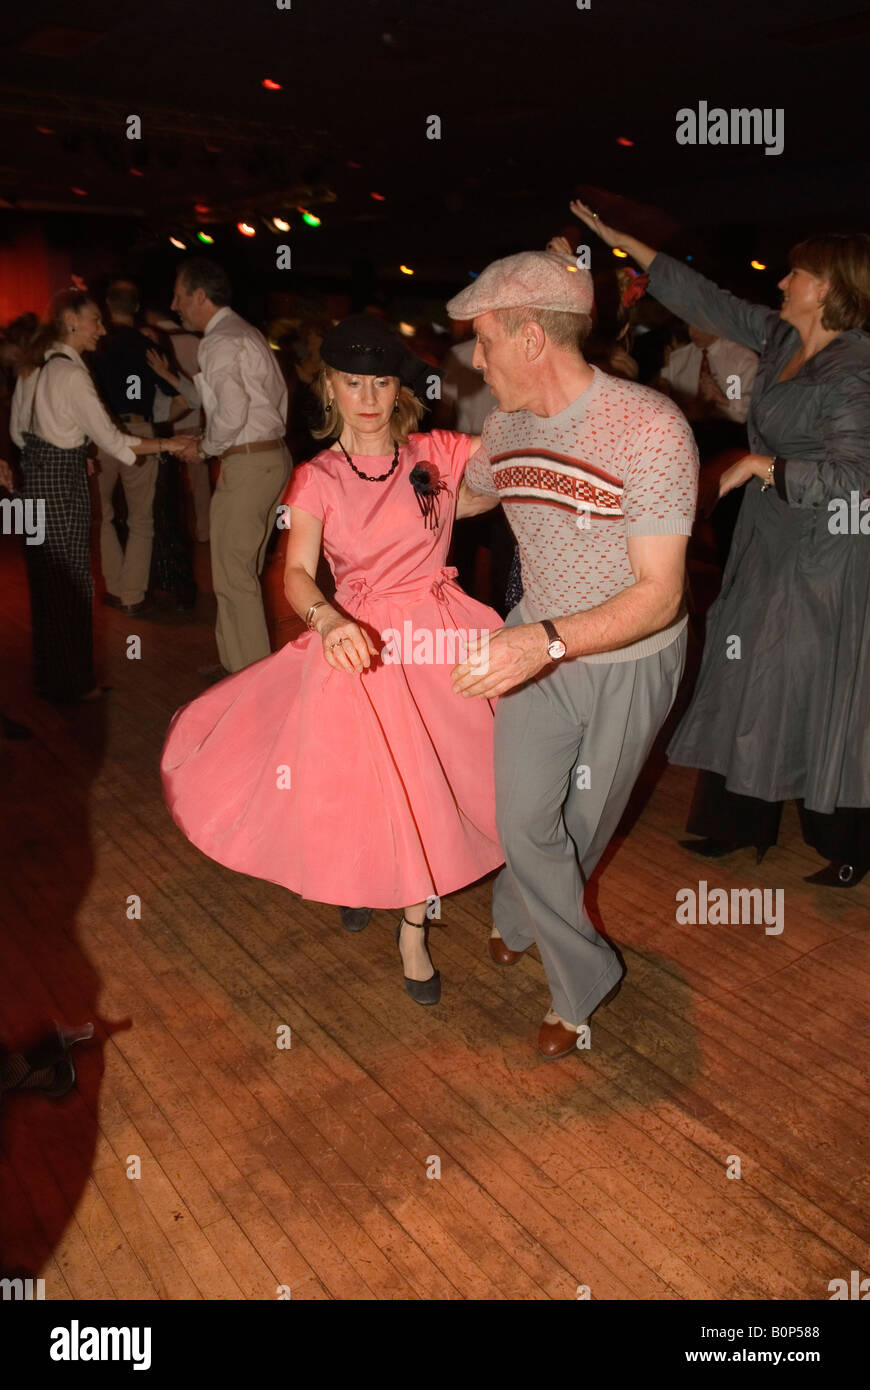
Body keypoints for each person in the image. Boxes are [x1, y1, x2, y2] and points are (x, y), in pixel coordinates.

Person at [161, 315, 505, 1005]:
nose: (369, 396)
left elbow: (513, 459)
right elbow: (295, 575)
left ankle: (412, 928)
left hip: (439, 640)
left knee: (438, 788)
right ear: (329, 387)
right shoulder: (316, 476)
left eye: (381, 381)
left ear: (399, 389)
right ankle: (365, 880)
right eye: (354, 382)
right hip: (359, 642)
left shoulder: (436, 450)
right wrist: (327, 619)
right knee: (364, 785)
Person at [572, 197, 870, 887]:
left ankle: (847, 837)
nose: (781, 282)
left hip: (829, 552)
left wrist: (758, 464)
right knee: (749, 670)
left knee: (815, 682)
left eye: (795, 274)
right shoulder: (783, 339)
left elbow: (857, 478)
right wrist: (626, 243)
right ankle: (738, 822)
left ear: (827, 287)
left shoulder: (856, 369)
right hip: (772, 539)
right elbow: (705, 299)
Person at [447, 249, 698, 1060]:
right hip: (536, 646)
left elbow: (657, 592)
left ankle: (553, 963)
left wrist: (544, 642)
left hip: (626, 660)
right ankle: (583, 966)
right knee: (520, 816)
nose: (472, 358)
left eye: (482, 340)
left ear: (529, 338)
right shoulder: (505, 423)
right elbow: (470, 492)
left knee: (580, 828)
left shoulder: (649, 428)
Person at [10, 290, 193, 704]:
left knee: (45, 584)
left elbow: (19, 433)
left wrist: (68, 450)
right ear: (71, 321)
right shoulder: (71, 374)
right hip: (61, 484)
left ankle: (49, 679)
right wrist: (167, 445)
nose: (102, 327)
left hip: (34, 481)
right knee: (73, 587)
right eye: (95, 319)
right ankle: (76, 684)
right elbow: (114, 440)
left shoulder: (32, 366)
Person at [170, 259, 292, 677]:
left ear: (200, 297)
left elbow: (233, 409)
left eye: (180, 295)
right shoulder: (247, 333)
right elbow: (273, 403)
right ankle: (235, 665)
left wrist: (205, 448)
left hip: (248, 463)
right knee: (241, 571)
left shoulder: (220, 339)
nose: (174, 304)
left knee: (232, 575)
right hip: (270, 457)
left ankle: (249, 677)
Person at [92, 279, 179, 617]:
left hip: (105, 431)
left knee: (105, 516)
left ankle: (115, 587)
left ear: (107, 305)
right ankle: (133, 594)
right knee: (142, 518)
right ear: (137, 306)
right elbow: (174, 394)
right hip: (141, 431)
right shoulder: (147, 344)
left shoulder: (97, 345)